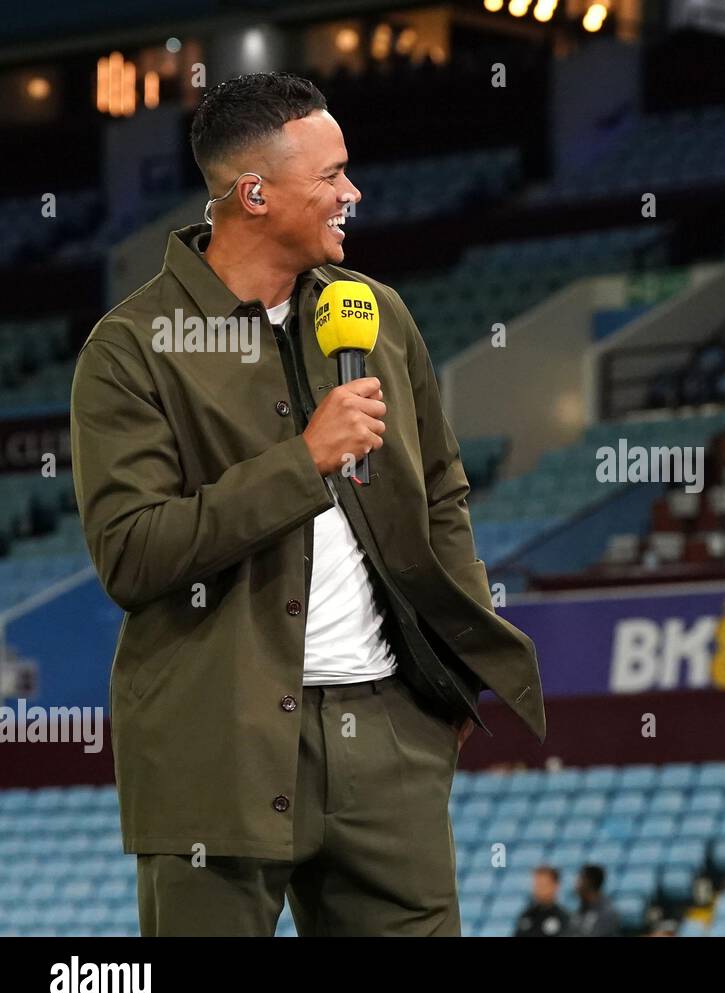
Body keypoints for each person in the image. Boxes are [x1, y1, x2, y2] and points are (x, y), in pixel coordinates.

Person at [71, 72, 546, 936]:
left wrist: (452, 673)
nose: (351, 194)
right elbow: (132, 554)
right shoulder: (131, 348)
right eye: (330, 176)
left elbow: (441, 493)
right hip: (216, 747)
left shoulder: (378, 316)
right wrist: (303, 461)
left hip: (390, 738)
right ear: (253, 193)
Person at [515, 866, 570, 937]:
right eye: (537, 885)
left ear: (556, 886)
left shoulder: (563, 918)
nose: (538, 889)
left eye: (543, 885)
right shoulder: (526, 915)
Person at [568, 864, 620, 937]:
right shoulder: (580, 910)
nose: (575, 884)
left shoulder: (607, 913)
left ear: (589, 882)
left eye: (580, 879)